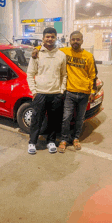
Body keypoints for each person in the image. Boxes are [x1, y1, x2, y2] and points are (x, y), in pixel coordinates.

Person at [32, 31, 97, 153]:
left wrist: (93, 92)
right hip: (70, 92)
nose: (75, 42)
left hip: (84, 93)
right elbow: (49, 47)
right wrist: (37, 48)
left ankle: (76, 138)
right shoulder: (64, 51)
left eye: (78, 39)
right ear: (70, 41)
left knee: (80, 118)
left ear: (82, 41)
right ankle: (64, 139)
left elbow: (93, 75)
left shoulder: (88, 56)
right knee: (66, 118)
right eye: (73, 39)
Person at [27, 27, 67, 155]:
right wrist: (34, 91)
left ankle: (51, 141)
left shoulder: (61, 55)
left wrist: (61, 90)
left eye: (52, 37)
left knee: (53, 120)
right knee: (36, 119)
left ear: (56, 38)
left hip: (55, 94)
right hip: (40, 93)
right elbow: (30, 74)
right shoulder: (37, 54)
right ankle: (32, 143)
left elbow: (64, 75)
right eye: (47, 37)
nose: (50, 39)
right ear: (43, 38)